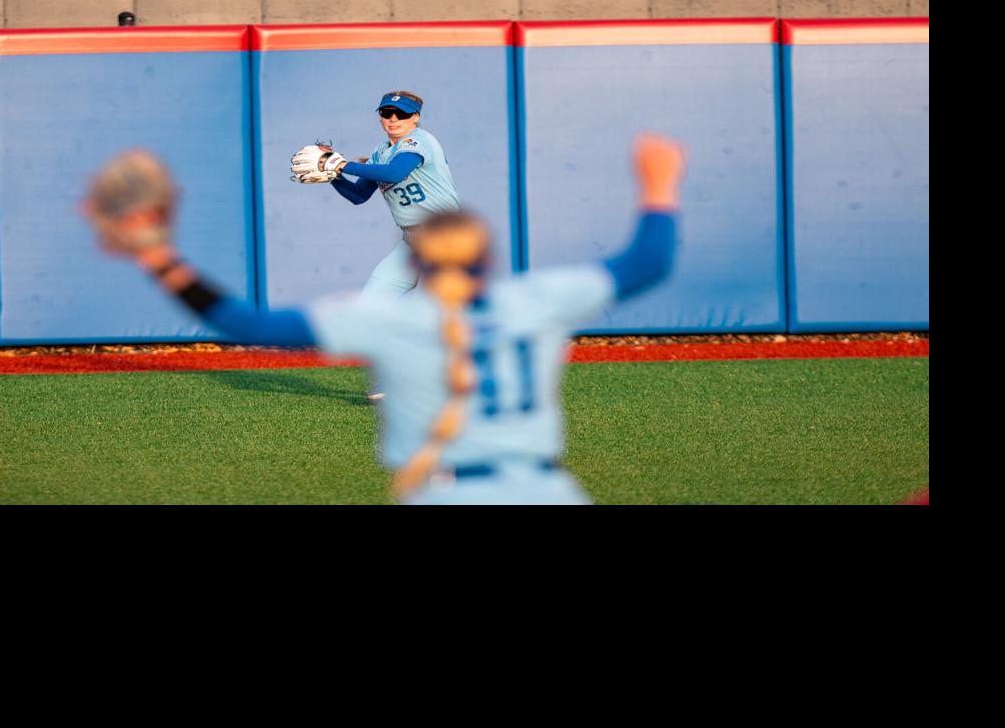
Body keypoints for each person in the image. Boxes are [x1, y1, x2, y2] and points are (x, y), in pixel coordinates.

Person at [84, 135, 685, 505]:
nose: (393, 122)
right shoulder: (537, 300)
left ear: (425, 258)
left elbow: (252, 326)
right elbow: (648, 262)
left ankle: (388, 377)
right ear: (491, 256)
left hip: (447, 491)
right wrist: (659, 186)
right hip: (550, 491)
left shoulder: (393, 313)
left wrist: (158, 256)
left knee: (375, 306)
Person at [291, 91, 462, 297]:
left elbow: (394, 173)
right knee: (371, 302)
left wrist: (343, 165)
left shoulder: (419, 141)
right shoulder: (380, 152)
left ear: (415, 117)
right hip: (412, 241)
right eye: (387, 112)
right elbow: (358, 195)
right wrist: (333, 174)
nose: (393, 119)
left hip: (445, 238)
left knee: (439, 310)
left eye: (402, 113)